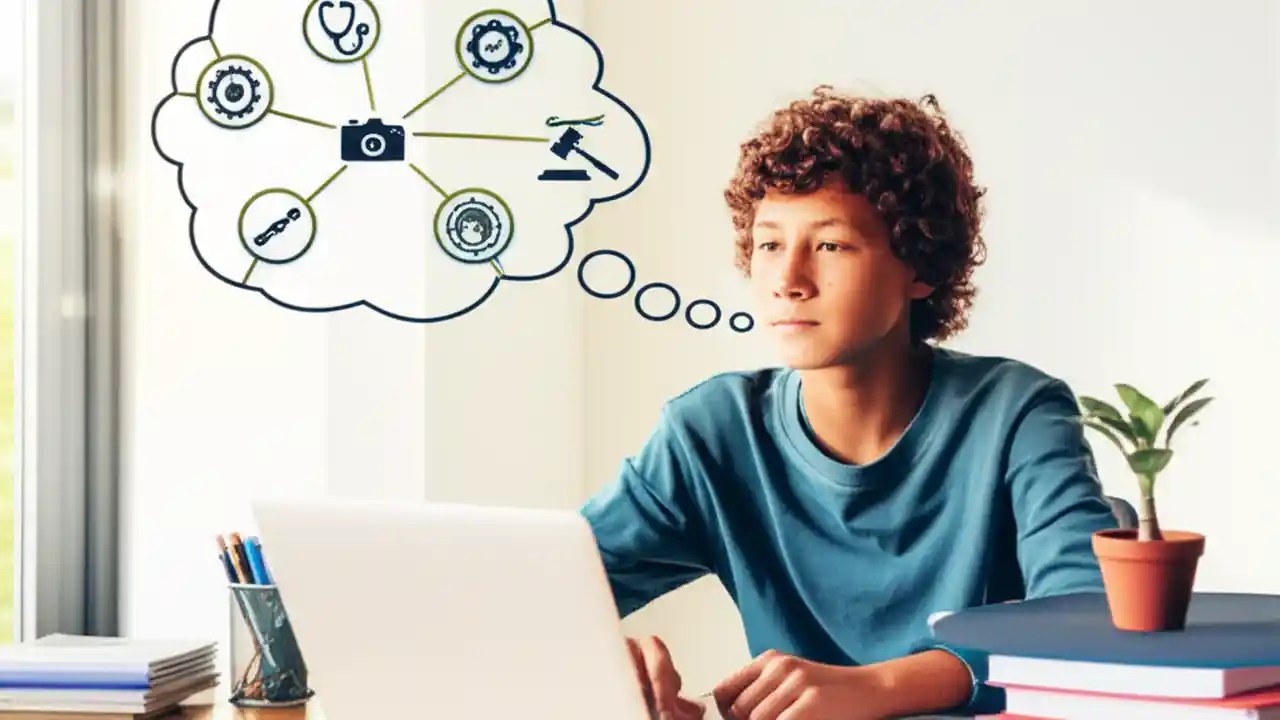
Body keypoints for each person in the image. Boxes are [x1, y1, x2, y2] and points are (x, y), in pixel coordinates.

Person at [578, 85, 1119, 720]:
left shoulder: (1017, 413)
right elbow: (533, 594)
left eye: (830, 245)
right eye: (770, 244)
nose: (788, 281)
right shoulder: (712, 433)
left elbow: (1088, 629)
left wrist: (879, 687)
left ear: (921, 268)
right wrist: (610, 666)